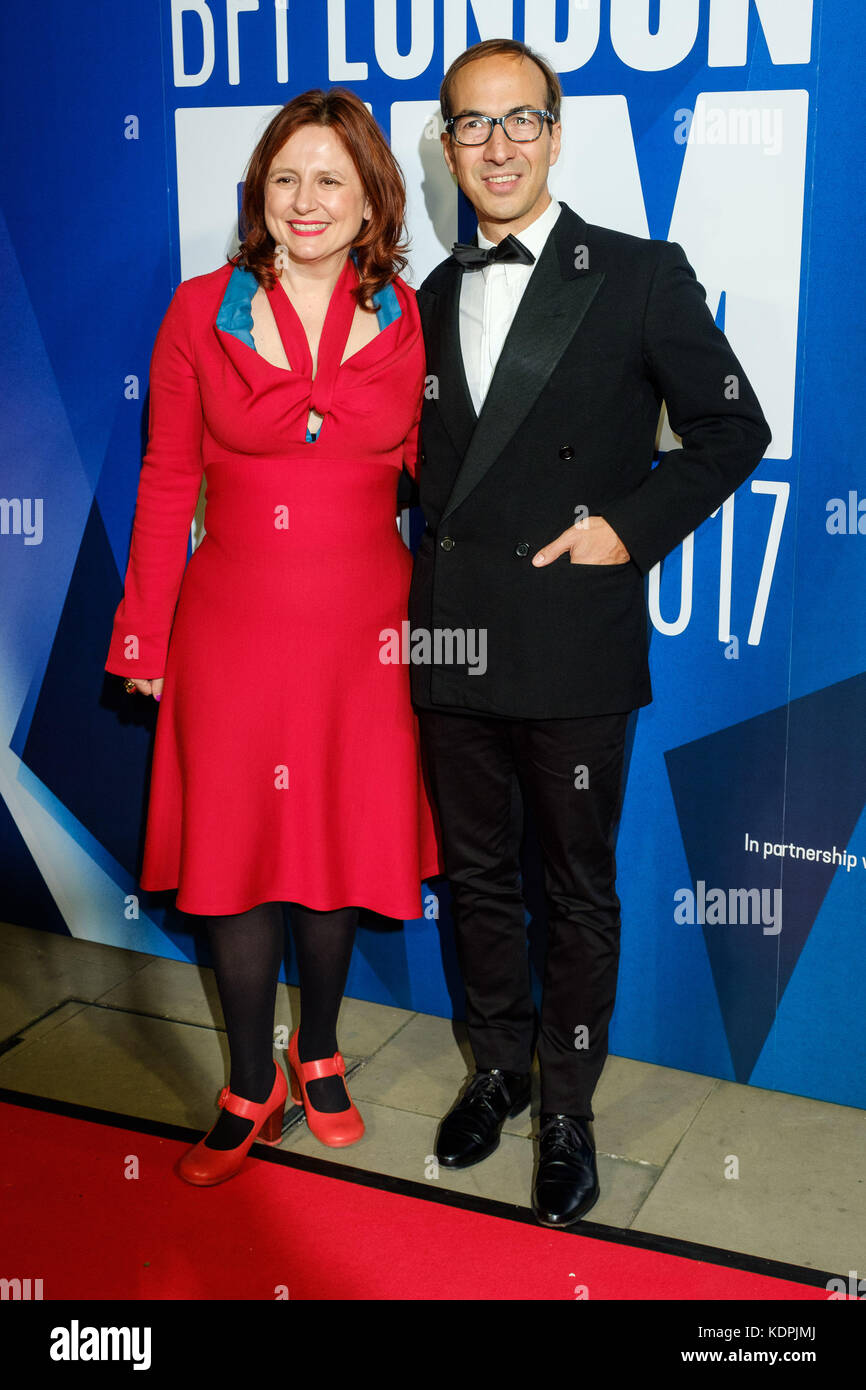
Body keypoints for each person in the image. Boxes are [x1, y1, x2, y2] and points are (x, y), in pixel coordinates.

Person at [408, 39, 772, 1226]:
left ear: (556, 135)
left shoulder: (636, 272)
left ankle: (565, 1108)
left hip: (571, 641)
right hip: (448, 641)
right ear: (448, 146)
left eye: (521, 122)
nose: (498, 146)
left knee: (572, 888)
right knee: (471, 880)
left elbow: (731, 429)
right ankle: (495, 1072)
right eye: (473, 125)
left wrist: (628, 525)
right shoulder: (422, 298)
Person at [105, 88, 441, 1185]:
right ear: (260, 191)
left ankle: (323, 1050)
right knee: (238, 855)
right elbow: (165, 481)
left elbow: (438, 475)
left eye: (330, 179)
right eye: (286, 177)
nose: (306, 200)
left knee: (336, 848)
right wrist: (144, 636)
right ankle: (249, 1075)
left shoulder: (406, 315)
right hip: (233, 630)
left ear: (369, 201)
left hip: (366, 635)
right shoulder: (200, 308)